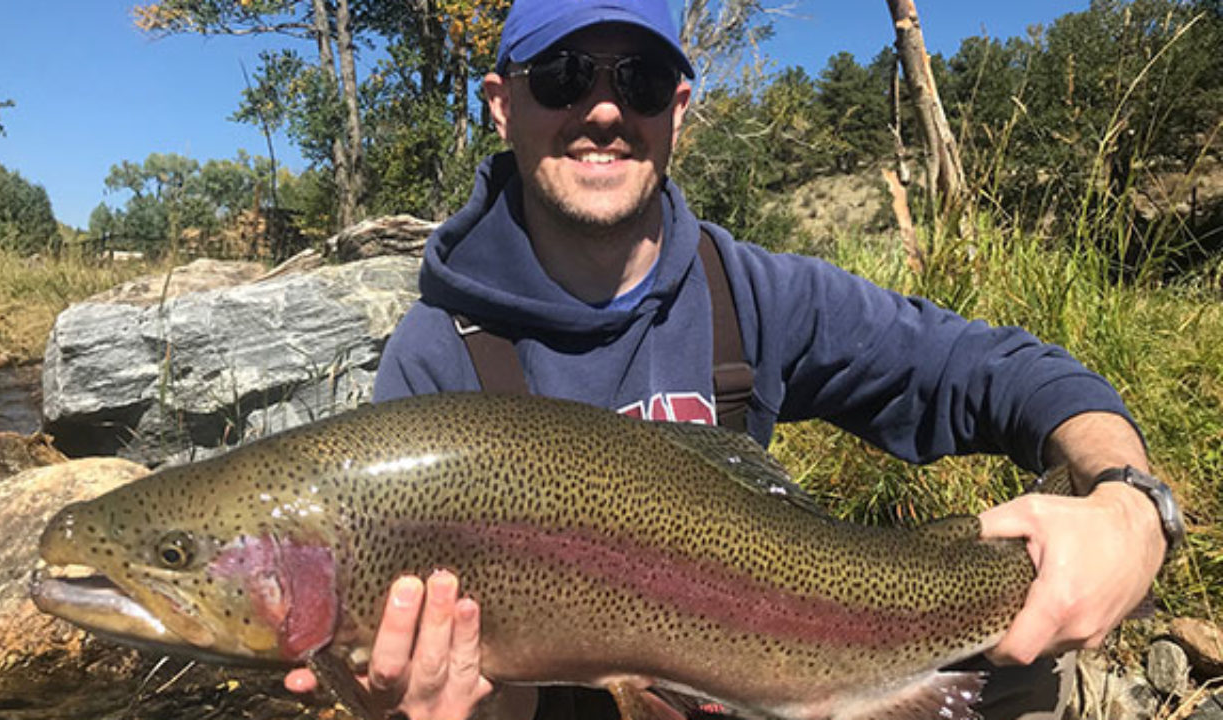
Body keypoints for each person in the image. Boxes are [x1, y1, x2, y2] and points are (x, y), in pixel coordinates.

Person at [286, 0, 1179, 718]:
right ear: (501, 102)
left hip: (817, 664)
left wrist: (1131, 506)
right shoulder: (433, 360)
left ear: (676, 110)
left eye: (637, 80)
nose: (603, 109)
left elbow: (1001, 371)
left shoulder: (754, 292)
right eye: (561, 76)